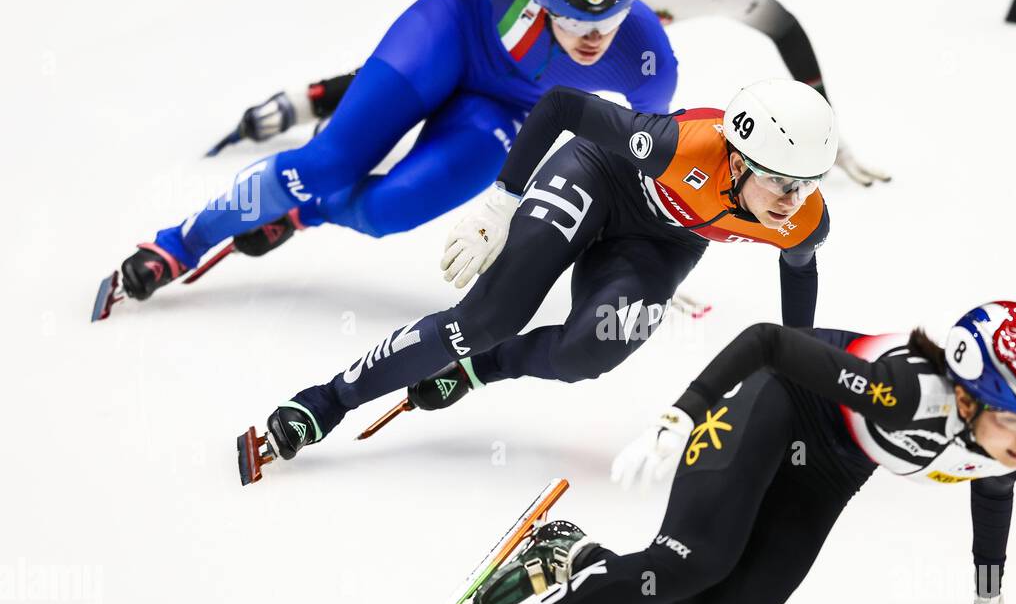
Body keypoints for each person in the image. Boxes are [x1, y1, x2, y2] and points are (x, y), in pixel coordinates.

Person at [386, 301, 1016, 604]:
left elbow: (994, 484)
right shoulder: (898, 393)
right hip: (774, 400)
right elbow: (772, 341)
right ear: (962, 395)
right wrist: (682, 411)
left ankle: (570, 557)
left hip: (833, 467)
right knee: (693, 561)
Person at [238, 77, 838, 480]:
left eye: (806, 183)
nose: (792, 200)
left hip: (663, 240)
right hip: (603, 176)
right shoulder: (675, 146)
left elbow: (799, 273)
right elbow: (561, 106)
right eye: (780, 181)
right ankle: (327, 401)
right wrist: (501, 201)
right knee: (484, 320)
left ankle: (479, 370)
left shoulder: (802, 219)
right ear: (736, 158)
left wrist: (798, 360)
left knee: (589, 354)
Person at [104, 0, 675, 309]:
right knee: (325, 164)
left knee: (389, 212)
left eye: (611, 20)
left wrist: (635, 244)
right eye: (574, 19)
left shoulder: (648, 56)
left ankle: (301, 214)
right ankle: (180, 243)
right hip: (446, 35)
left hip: (503, 108)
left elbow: (639, 150)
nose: (594, 37)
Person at [215, 0, 889, 186]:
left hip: (607, 51)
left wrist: (823, 126)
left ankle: (322, 109)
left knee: (518, 79)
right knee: (461, 52)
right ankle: (320, 103)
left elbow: (784, 29)